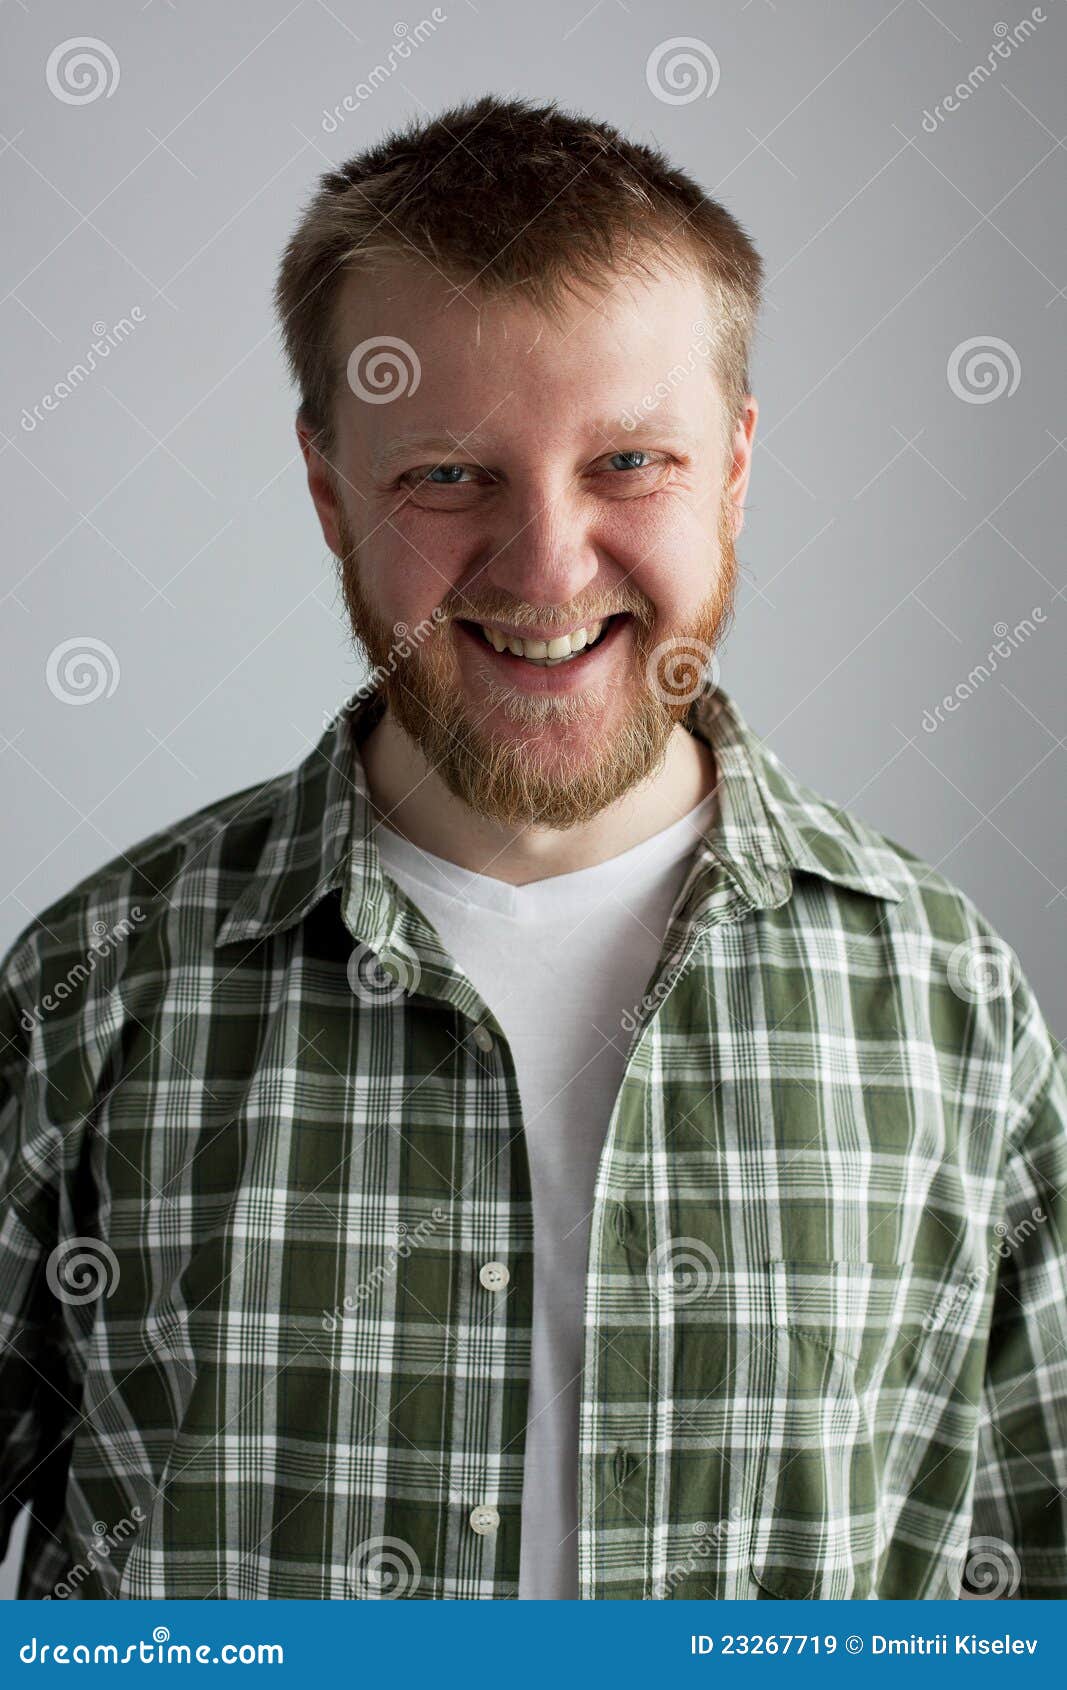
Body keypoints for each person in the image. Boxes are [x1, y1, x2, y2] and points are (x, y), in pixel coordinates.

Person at [1, 94, 1064, 1602]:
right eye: (447, 474)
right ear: (327, 489)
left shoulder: (952, 1003)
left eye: (631, 460)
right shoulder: (89, 992)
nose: (548, 566)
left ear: (737, 466)